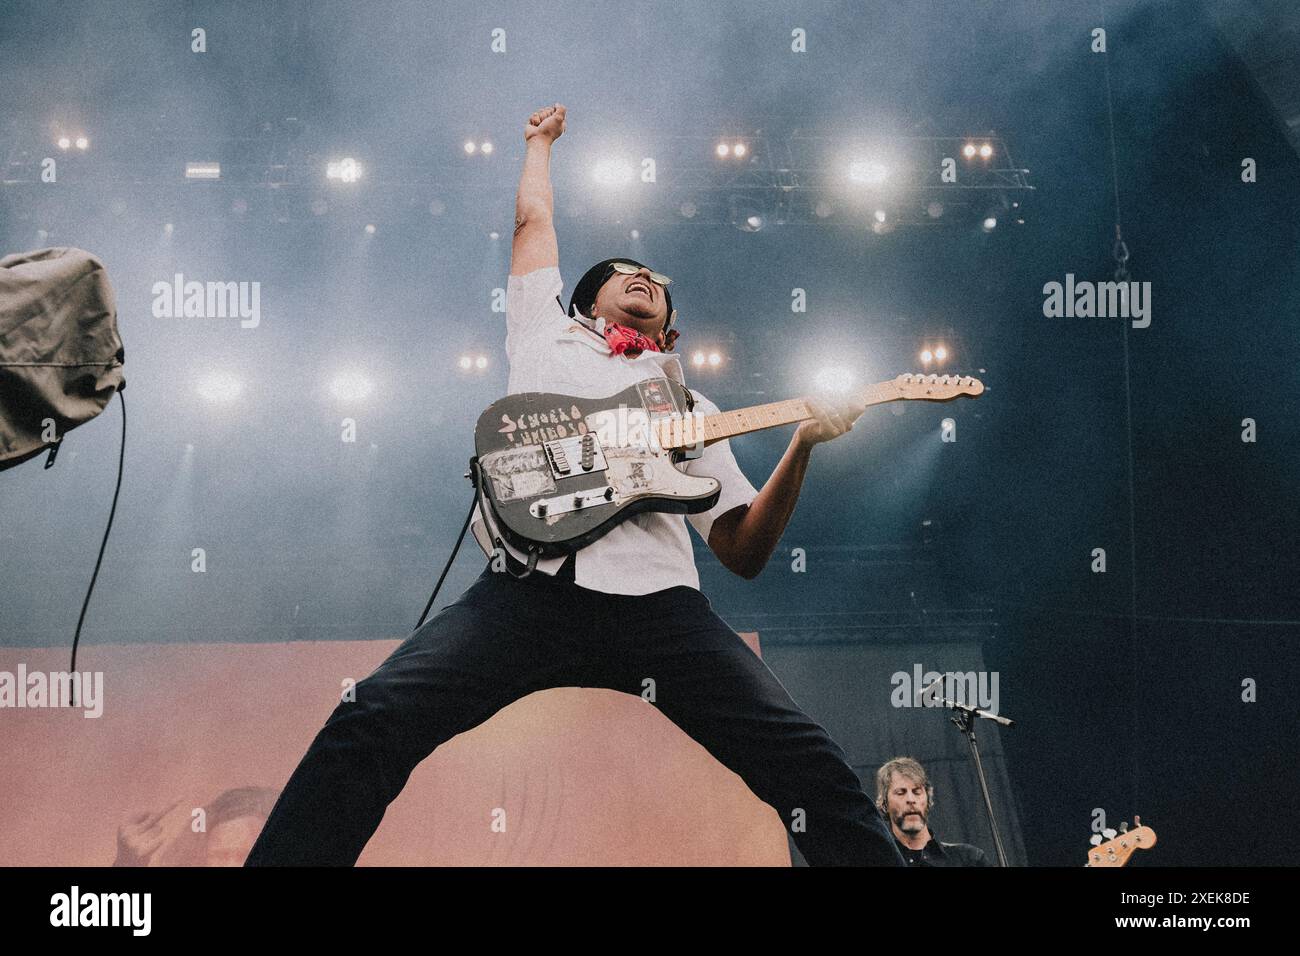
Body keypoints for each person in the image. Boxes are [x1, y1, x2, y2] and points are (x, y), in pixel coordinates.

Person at [245, 104, 901, 867]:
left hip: (663, 613)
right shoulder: (545, 337)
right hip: (532, 592)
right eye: (628, 274)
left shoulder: (697, 408)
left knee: (810, 768)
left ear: (672, 330)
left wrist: (802, 445)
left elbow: (743, 549)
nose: (645, 280)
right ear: (591, 301)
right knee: (372, 717)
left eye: (658, 282)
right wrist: (538, 145)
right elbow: (532, 222)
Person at [875, 756, 990, 866]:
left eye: (917, 792)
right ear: (884, 804)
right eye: (901, 793)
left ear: (928, 800)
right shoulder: (874, 860)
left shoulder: (969, 859)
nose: (911, 800)